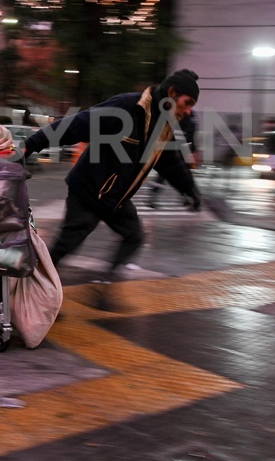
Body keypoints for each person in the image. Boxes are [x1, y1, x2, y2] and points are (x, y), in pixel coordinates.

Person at [21, 69, 203, 300]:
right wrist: (30, 145)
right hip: (88, 191)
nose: (188, 111)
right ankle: (36, 296)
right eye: (187, 103)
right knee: (66, 245)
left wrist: (190, 189)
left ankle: (103, 285)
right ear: (172, 93)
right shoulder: (127, 107)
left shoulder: (163, 126)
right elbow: (76, 125)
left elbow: (169, 162)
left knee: (134, 236)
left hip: (115, 198)